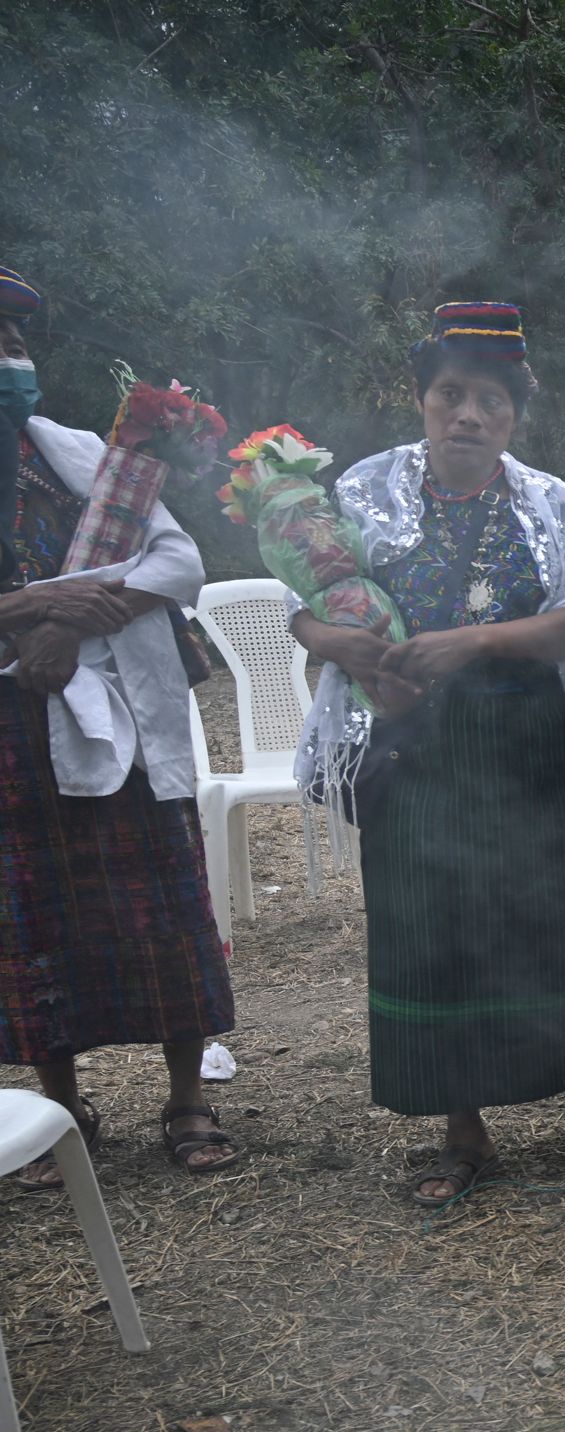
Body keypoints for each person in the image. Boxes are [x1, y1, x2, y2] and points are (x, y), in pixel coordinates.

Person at [290, 302, 565, 1207]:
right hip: (415, 752)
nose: (468, 415)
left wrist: (474, 643)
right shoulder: (366, 496)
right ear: (420, 401)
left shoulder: (553, 504)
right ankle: (463, 1133)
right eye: (450, 394)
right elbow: (307, 602)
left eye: (490, 401)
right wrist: (342, 647)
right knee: (433, 926)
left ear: (513, 418)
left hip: (534, 742)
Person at [0, 262, 237, 1184]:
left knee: (161, 908)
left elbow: (178, 563)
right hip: (13, 731)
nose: (10, 360)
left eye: (15, 344)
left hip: (126, 721)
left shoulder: (75, 453)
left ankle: (189, 1101)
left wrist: (61, 617)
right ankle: (59, 1111)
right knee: (36, 919)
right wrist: (35, 616)